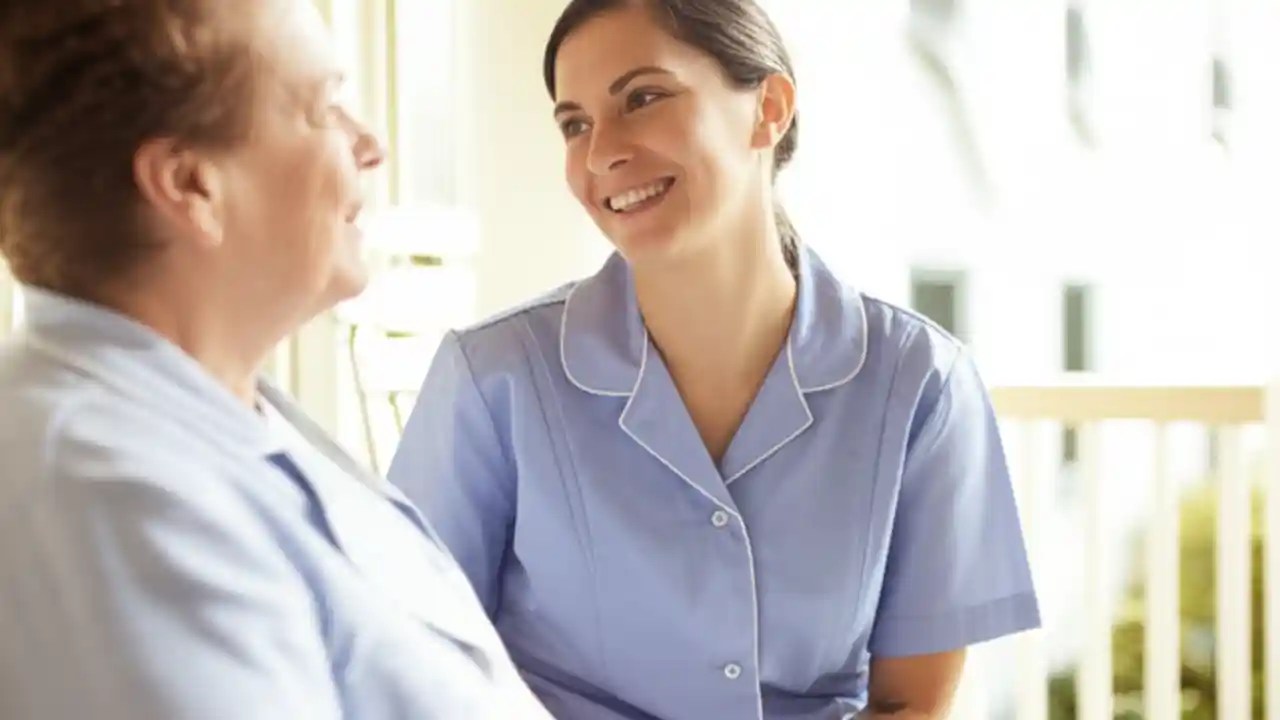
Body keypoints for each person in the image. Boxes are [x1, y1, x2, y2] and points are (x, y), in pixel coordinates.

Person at [388, 0, 1042, 718]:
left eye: (643, 98)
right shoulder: (494, 379)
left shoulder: (921, 386)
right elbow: (408, 669)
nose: (601, 153)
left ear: (769, 109)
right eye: (575, 124)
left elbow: (910, 705)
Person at [0, 1, 552, 718]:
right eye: (324, 107)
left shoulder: (237, 419)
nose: (370, 145)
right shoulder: (112, 494)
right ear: (191, 185)